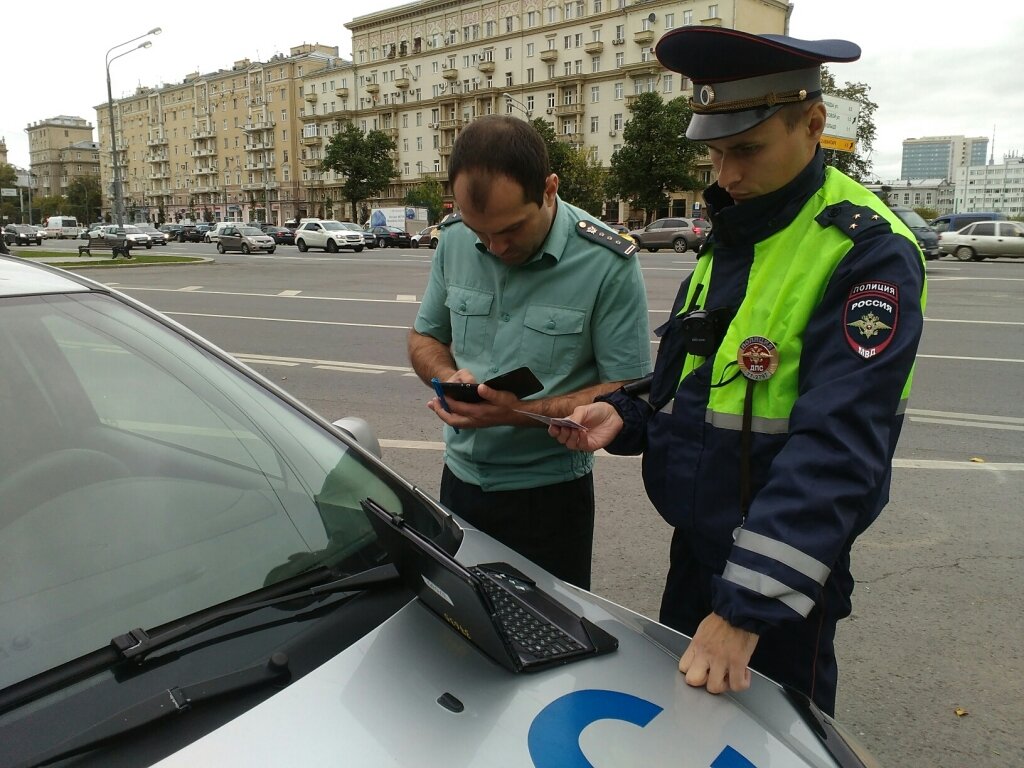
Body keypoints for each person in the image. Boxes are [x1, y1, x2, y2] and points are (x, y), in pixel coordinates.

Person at [549, 27, 927, 715]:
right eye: (715, 152)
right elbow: (702, 374)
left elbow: (839, 449)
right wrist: (630, 413)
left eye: (745, 150)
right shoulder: (743, 224)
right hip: (697, 556)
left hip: (777, 582)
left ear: (813, 124)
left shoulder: (866, 251)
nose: (724, 175)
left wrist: (747, 609)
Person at [408, 115, 653, 589]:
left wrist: (517, 412)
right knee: (461, 628)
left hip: (550, 500)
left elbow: (627, 387)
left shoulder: (605, 260)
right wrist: (445, 372)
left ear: (549, 188)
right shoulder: (456, 239)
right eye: (483, 233)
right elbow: (424, 338)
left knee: (553, 644)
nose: (496, 247)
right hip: (459, 483)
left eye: (511, 230)